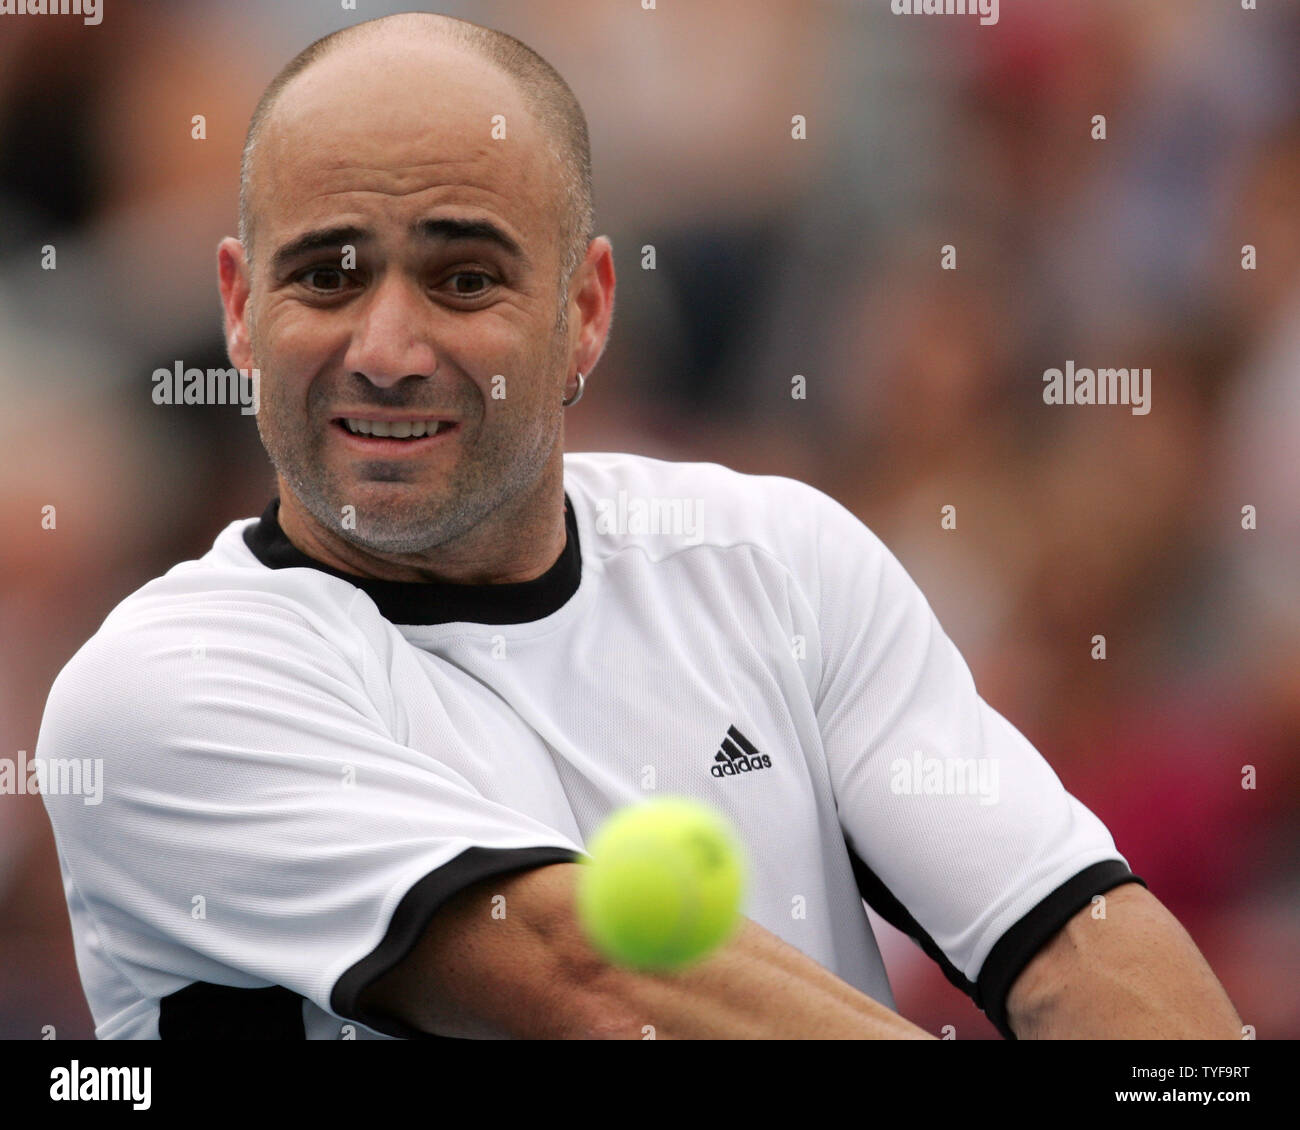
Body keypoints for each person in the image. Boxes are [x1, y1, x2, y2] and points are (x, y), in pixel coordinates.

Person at [35, 12, 1241, 1040]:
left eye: (463, 279)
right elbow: (591, 980)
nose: (388, 350)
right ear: (242, 311)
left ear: (587, 311)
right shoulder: (156, 688)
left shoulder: (780, 557)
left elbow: (1079, 934)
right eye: (328, 275)